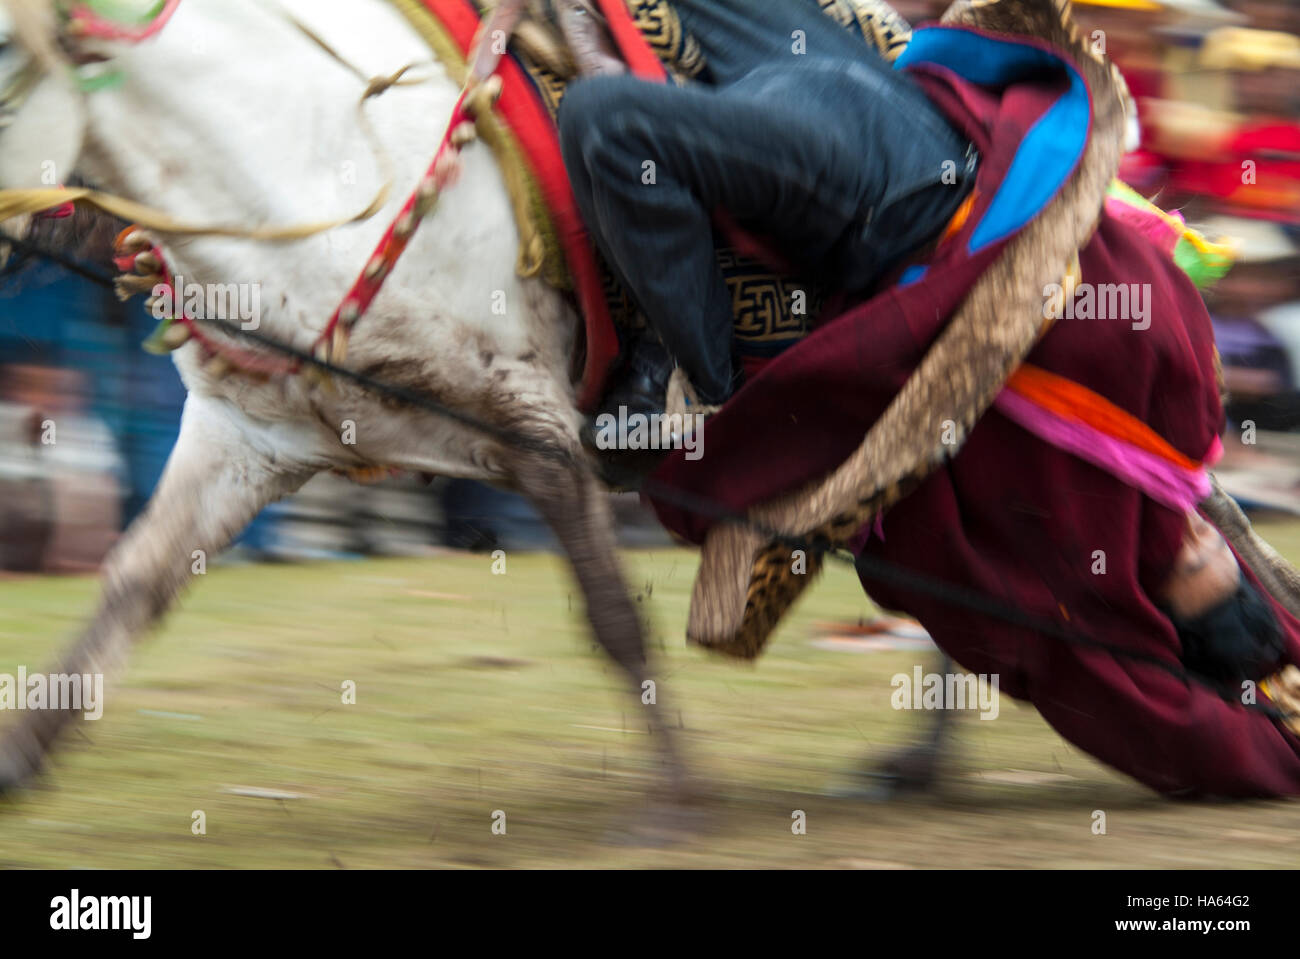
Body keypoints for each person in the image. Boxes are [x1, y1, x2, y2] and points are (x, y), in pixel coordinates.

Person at [558, 0, 976, 419]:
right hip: (860, 95)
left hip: (899, 185)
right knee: (592, 112)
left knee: (598, 117)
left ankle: (709, 389)